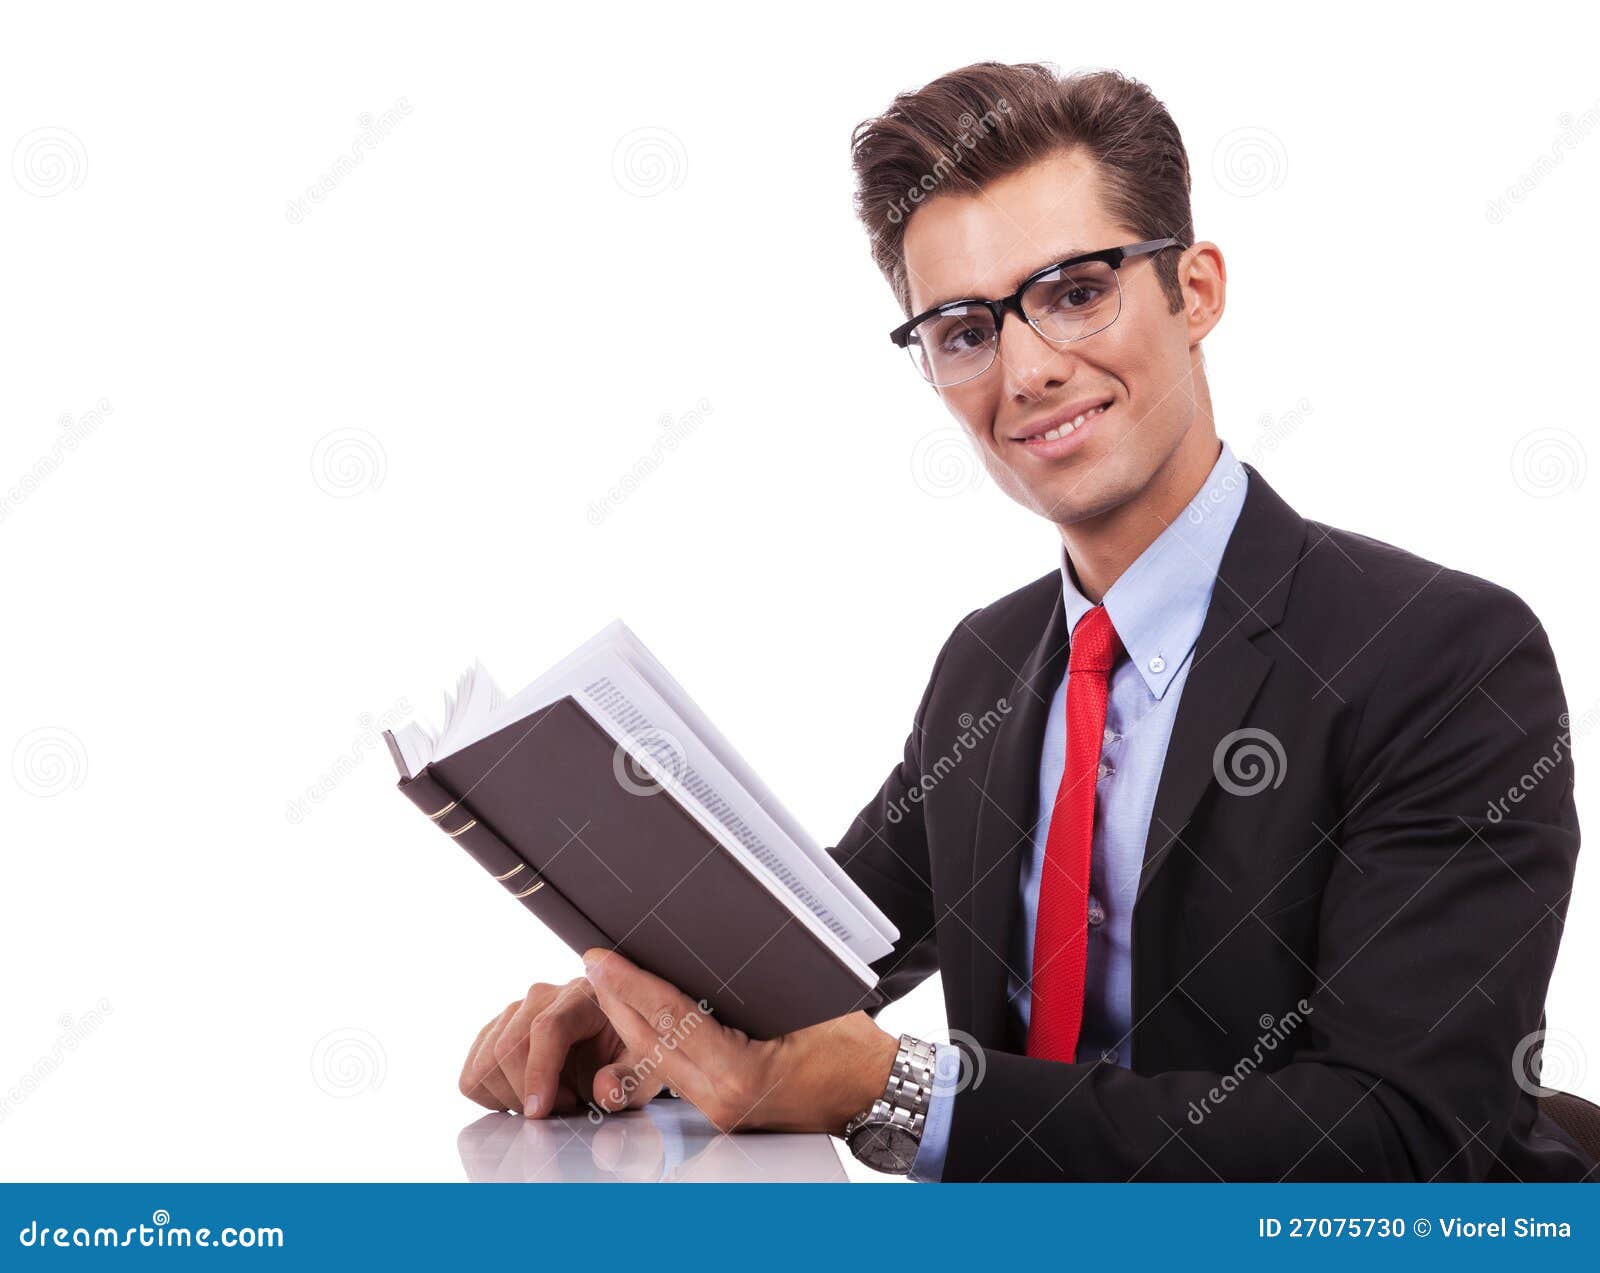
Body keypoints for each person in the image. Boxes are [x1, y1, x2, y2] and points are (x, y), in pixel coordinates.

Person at [457, 61, 1594, 1181]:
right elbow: (818, 961)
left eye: (1076, 291)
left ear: (1193, 291)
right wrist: (640, 1021)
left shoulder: (1440, 657)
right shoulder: (988, 667)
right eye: (963, 328)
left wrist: (895, 1088)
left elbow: (1407, 1141)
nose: (1029, 367)